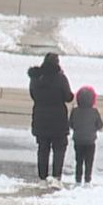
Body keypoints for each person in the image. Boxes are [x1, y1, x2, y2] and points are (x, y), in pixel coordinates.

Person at [28, 52, 73, 184]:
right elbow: (68, 97)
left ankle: (42, 176)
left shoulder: (36, 78)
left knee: (43, 148)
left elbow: (33, 95)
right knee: (59, 148)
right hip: (58, 119)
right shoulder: (60, 78)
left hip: (41, 118)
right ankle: (56, 175)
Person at [69, 86, 103, 184]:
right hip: (90, 141)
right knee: (89, 161)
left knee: (79, 161)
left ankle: (78, 178)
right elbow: (100, 125)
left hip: (78, 140)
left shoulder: (75, 111)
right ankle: (87, 179)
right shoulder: (94, 112)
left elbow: (71, 124)